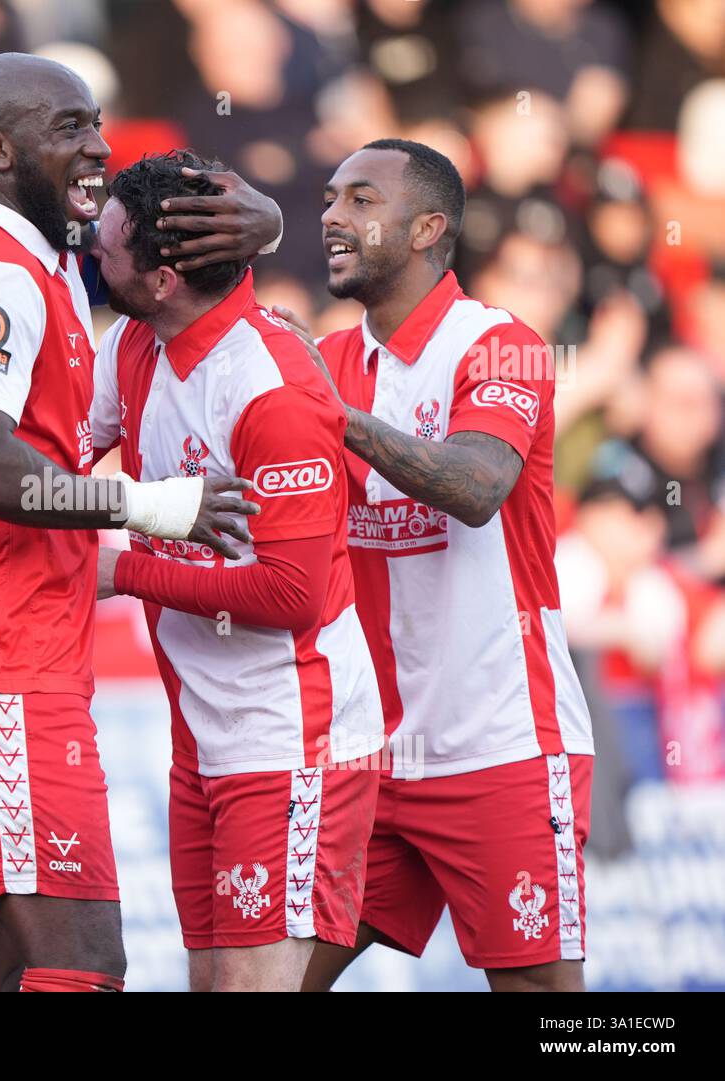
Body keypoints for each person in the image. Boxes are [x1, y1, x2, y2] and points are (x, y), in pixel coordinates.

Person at [0, 53, 281, 992]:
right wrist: (149, 506)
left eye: (97, 122)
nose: (98, 146)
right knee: (85, 965)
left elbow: (160, 249)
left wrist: (261, 224)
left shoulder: (26, 255)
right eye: (69, 128)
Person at [264, 139, 594, 991]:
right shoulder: (328, 362)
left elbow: (478, 485)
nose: (333, 215)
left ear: (427, 228)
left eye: (362, 200)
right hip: (370, 755)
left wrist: (335, 419)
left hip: (501, 743)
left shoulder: (502, 345)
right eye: (330, 197)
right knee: (268, 979)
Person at [89, 151, 384, 992]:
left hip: (295, 737)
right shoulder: (135, 347)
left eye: (108, 249)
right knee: (215, 982)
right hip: (206, 736)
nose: (92, 257)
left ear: (165, 277)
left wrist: (127, 571)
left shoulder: (272, 389)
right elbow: (57, 463)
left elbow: (289, 596)